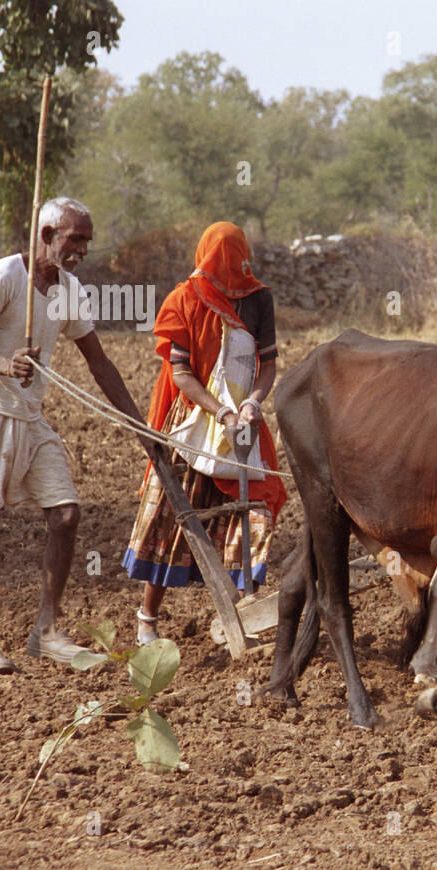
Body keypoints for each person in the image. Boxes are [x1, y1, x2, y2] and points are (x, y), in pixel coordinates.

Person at [0, 196, 155, 673]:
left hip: (29, 412)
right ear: (45, 236)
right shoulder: (3, 276)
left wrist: (139, 427)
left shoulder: (70, 290)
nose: (82, 248)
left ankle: (46, 631)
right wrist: (7, 363)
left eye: (86, 240)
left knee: (65, 515)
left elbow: (98, 361)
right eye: (74, 238)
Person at [122, 221, 287, 644]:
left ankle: (245, 609)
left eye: (236, 265)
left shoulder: (259, 300)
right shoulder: (186, 298)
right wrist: (221, 413)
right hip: (196, 419)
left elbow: (266, 365)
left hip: (243, 420)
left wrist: (251, 404)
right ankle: (147, 619)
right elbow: (180, 372)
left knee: (253, 508)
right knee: (172, 513)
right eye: (222, 267)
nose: (229, 277)